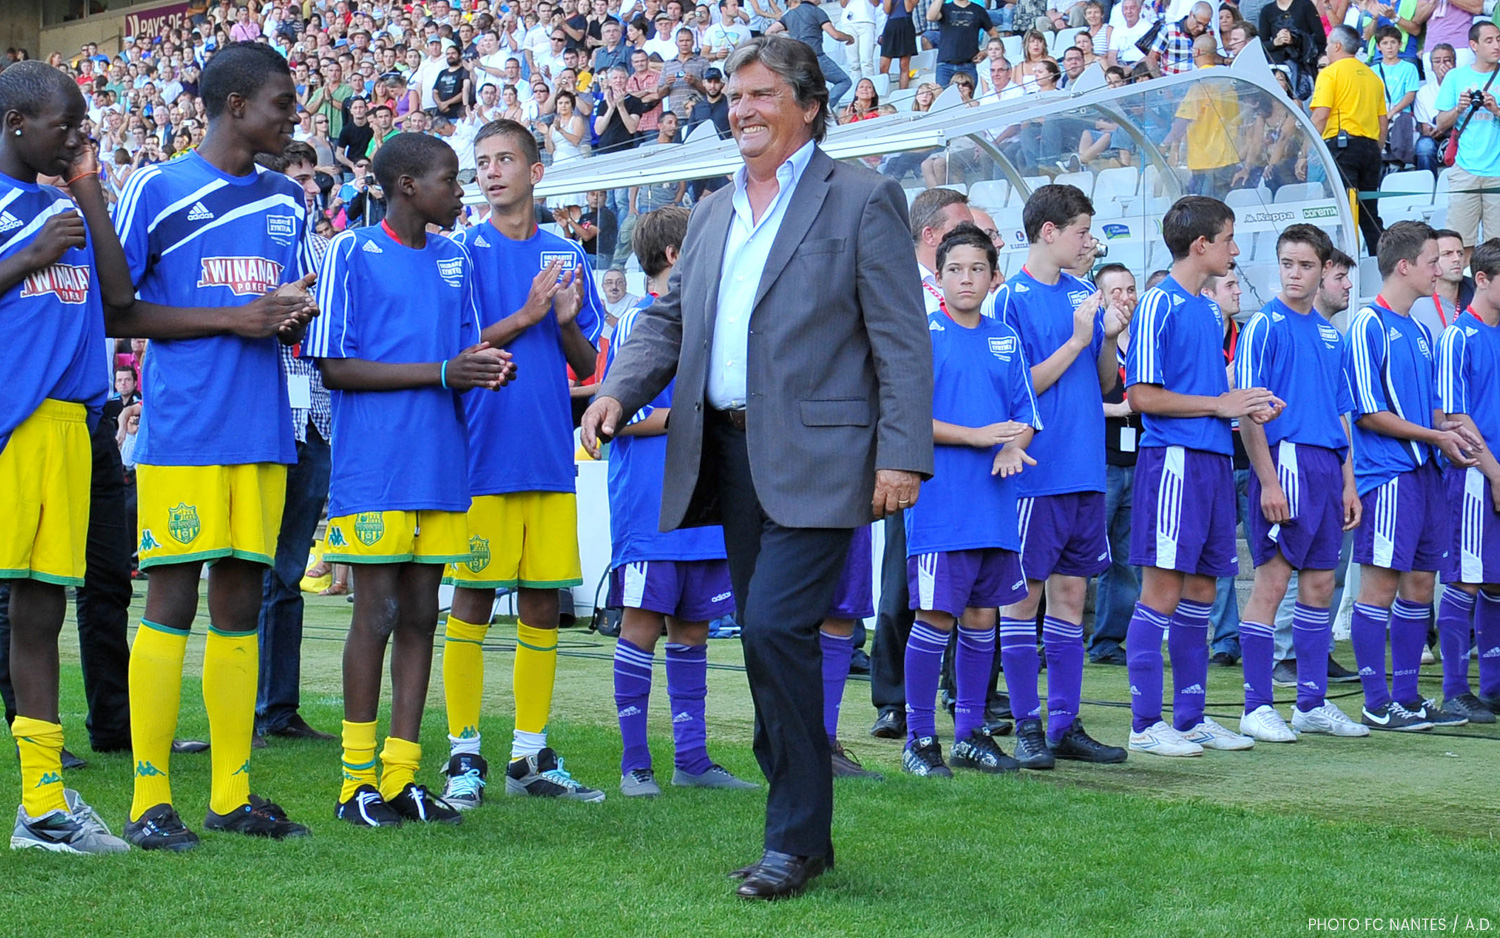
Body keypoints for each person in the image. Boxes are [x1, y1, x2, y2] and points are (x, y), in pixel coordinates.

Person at [580, 37, 930, 900]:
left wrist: (902, 454)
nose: (741, 110)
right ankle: (805, 822)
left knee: (772, 629)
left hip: (826, 458)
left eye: (761, 94)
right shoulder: (709, 212)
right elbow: (668, 324)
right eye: (735, 96)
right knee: (772, 637)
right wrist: (616, 393)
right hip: (726, 457)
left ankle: (794, 837)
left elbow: (900, 339)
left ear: (808, 105)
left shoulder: (863, 197)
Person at [105, 41, 319, 851]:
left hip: (262, 430)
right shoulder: (157, 188)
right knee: (170, 602)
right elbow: (117, 310)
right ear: (235, 105)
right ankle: (149, 800)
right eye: (281, 103)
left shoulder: (287, 200)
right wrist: (236, 317)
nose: (292, 116)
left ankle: (231, 794)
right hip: (186, 428)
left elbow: (281, 309)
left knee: (238, 606)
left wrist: (287, 315)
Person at [305, 132, 513, 828]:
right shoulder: (350, 251)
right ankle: (355, 782)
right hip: (376, 467)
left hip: (440, 464)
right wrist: (445, 371)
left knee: (423, 616)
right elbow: (334, 366)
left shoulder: (455, 258)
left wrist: (483, 367)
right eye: (451, 179)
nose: (461, 191)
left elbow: (464, 352)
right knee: (377, 614)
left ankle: (401, 776)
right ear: (406, 186)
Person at [440, 119, 608, 809]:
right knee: (473, 601)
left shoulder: (567, 253)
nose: (491, 171)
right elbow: (449, 348)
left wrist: (562, 321)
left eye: (505, 159)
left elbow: (588, 366)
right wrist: (527, 312)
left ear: (536, 171)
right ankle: (463, 754)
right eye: (482, 161)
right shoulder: (461, 250)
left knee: (542, 602)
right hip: (481, 455)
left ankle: (530, 752)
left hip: (546, 454)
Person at [0, 62, 130, 855]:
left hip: (68, 427)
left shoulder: (64, 208)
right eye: (64, 123)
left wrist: (85, 188)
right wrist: (26, 256)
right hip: (11, 427)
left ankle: (43, 805)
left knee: (42, 610)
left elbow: (118, 299)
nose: (77, 133)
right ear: (16, 122)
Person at [1122, 196, 1284, 758]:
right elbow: (1141, 396)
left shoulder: (1209, 311)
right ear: (1201, 245)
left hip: (1214, 462)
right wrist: (1220, 404)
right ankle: (1145, 724)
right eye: (1228, 239)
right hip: (1174, 462)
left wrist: (1248, 401)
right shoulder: (1158, 303)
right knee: (1163, 591)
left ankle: (1190, 719)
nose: (1235, 250)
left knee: (1202, 590)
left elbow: (1212, 394)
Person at [605, 205, 757, 796]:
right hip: (651, 508)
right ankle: (634, 763)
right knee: (642, 626)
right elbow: (621, 414)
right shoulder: (638, 320)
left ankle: (691, 760)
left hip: (705, 503)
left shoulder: (716, 318)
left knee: (693, 629)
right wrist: (696, 417)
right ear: (677, 255)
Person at [994, 185, 1131, 768]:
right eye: (1081, 231)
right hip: (1035, 472)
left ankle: (1064, 723)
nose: (1089, 242)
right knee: (1022, 602)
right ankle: (1026, 724)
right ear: (1048, 232)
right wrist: (1078, 339)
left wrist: (1107, 339)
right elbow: (1016, 386)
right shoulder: (1010, 298)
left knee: (1072, 598)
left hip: (1084, 468)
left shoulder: (1082, 293)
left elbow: (1103, 383)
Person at [902, 223, 1036, 779]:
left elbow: (1026, 416)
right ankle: (918, 738)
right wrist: (978, 437)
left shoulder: (1006, 338)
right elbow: (907, 419)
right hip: (941, 507)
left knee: (983, 618)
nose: (966, 279)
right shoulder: (923, 334)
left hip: (995, 506)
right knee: (935, 617)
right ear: (938, 277)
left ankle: (970, 734)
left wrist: (1013, 446)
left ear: (992, 277)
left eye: (977, 269)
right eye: (955, 269)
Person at [1231, 224, 1369, 742]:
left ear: (1324, 270)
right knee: (1272, 582)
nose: (1294, 274)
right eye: (1287, 263)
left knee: (1319, 585)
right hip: (1284, 461)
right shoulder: (1264, 325)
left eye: (1305, 265)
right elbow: (1248, 409)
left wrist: (1348, 483)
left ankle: (1311, 703)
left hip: (1326, 469)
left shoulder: (1332, 335)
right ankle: (1255, 706)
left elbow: (1341, 414)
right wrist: (1268, 482)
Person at [1343, 220, 1480, 731]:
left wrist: (1451, 430)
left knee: (1421, 584)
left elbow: (1430, 412)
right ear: (1404, 266)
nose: (1440, 269)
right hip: (1389, 476)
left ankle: (1407, 695)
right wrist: (1434, 437)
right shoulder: (1368, 325)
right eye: (1431, 261)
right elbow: (1367, 413)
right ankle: (1375, 702)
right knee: (1379, 587)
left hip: (1426, 475)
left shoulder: (1420, 331)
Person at [251, 141, 336, 748]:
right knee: (251, 568)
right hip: (263, 417)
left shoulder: (330, 251)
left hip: (316, 422)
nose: (310, 187)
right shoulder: (257, 247)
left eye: (312, 177)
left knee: (288, 570)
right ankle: (244, 705)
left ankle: (277, 708)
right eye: (297, 177)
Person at [1435, 237, 1500, 720]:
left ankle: (1493, 688)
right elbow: (1454, 416)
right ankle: (1455, 690)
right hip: (1476, 477)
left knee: (1497, 582)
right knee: (1467, 580)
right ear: (1482, 279)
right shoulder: (1458, 337)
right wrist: (1495, 473)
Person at [1093, 263, 1141, 665]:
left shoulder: (1145, 341)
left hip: (1137, 460)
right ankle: (1052, 635)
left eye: (1131, 289)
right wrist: (1120, 409)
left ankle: (1108, 640)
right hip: (1101, 461)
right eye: (1116, 291)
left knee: (1124, 558)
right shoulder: (1091, 339)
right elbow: (1079, 399)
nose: (1126, 298)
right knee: (1084, 554)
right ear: (1100, 298)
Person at [1310, 26, 1386, 255]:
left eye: (1328, 44)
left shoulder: (1330, 73)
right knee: (1369, 213)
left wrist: (1308, 148)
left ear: (1337, 46)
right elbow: (1382, 122)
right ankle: (1382, 262)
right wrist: (1375, 149)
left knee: (1344, 212)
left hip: (1342, 147)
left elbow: (1321, 115)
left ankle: (1346, 262)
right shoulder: (1374, 77)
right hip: (1370, 148)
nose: (1326, 49)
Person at [1436, 22, 1500, 263]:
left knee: (1497, 247)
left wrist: (1496, 110)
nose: (1496, 45)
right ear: (1473, 45)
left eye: (1498, 39)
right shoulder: (1455, 76)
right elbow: (1440, 123)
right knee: (1460, 244)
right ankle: (1464, 286)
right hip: (1465, 168)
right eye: (1489, 40)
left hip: (1497, 172)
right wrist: (1459, 108)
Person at [778, 0, 855, 107]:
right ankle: (825, 106)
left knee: (810, 90)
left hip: (797, 61)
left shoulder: (789, 15)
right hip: (815, 57)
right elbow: (835, 35)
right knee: (844, 81)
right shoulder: (817, 12)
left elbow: (769, 31)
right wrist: (849, 38)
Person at [1410, 229, 1476, 337]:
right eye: (1447, 254)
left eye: (1460, 253)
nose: (1457, 259)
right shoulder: (1414, 300)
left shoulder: (1476, 294)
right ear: (1433, 259)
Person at [927, 0, 992, 89]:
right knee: (943, 96)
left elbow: (994, 35)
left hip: (968, 65)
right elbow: (930, 17)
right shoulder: (944, 8)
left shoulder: (978, 10)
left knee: (967, 97)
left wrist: (986, 51)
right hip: (945, 65)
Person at [880, 0, 920, 90]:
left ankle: (902, 91)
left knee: (904, 65)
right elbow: (886, 10)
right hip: (891, 25)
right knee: (883, 66)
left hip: (906, 25)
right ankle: (884, 91)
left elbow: (908, 8)